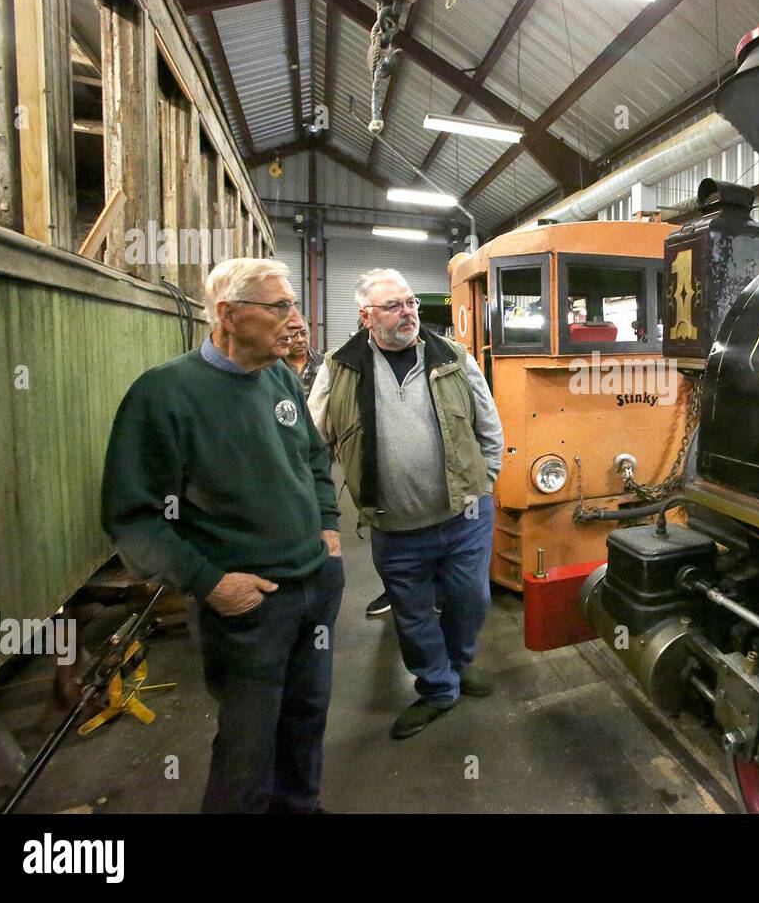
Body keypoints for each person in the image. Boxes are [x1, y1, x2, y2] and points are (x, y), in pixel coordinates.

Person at [101, 258, 344, 813]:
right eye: (280, 306)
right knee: (247, 742)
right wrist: (209, 583)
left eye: (293, 305)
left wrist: (329, 528)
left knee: (306, 717)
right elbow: (133, 517)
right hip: (249, 607)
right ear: (230, 315)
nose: (295, 319)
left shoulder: (279, 376)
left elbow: (311, 455)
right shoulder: (165, 395)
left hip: (314, 585)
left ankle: (297, 808)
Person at [309, 268, 503, 739]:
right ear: (366, 316)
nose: (408, 313)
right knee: (413, 614)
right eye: (394, 306)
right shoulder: (340, 368)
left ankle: (459, 662)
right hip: (395, 527)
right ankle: (438, 688)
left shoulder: (453, 356)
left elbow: (489, 427)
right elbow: (311, 445)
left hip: (466, 517)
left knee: (470, 599)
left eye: (411, 303)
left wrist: (486, 483)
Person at [284, 315, 324, 398]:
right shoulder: (273, 368)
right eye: (293, 335)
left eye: (303, 334)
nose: (300, 340)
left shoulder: (324, 365)